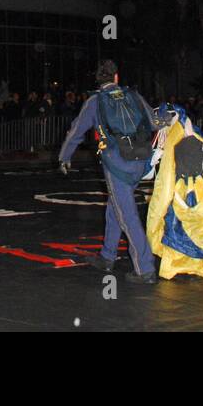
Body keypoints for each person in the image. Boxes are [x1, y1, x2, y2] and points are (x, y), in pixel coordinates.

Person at [58, 59, 158, 283]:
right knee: (116, 206)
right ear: (116, 77)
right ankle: (107, 256)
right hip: (140, 160)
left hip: (116, 164)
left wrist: (64, 157)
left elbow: (76, 132)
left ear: (98, 81)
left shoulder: (95, 101)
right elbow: (154, 122)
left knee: (127, 214)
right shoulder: (133, 95)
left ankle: (145, 269)